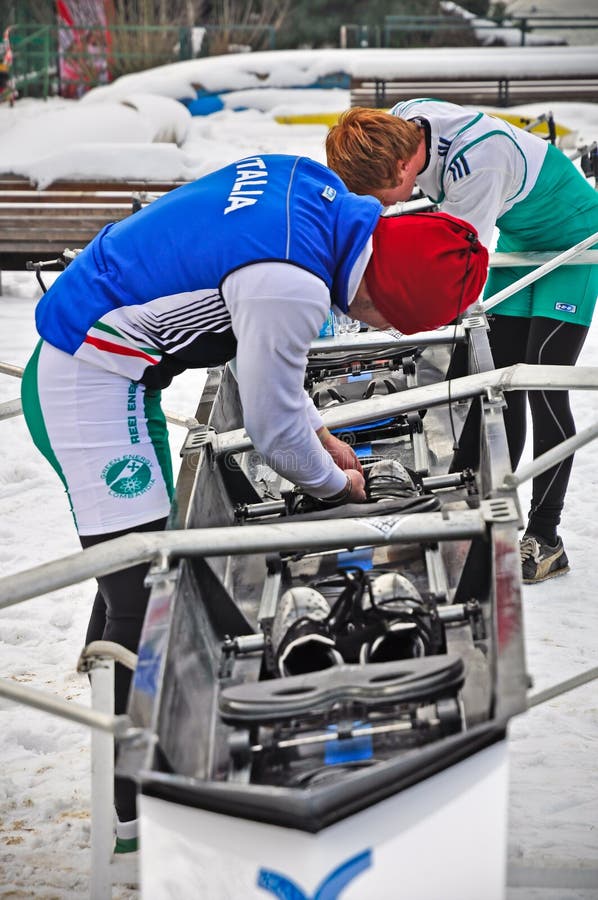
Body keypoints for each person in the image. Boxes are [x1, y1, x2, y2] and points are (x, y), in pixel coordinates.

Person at [20, 153, 487, 851]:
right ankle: (132, 824)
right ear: (383, 294)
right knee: (145, 597)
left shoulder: (317, 193)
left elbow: (273, 363)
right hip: (85, 376)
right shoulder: (291, 287)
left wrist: (320, 431)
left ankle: (113, 752)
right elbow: (270, 426)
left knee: (137, 579)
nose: (383, 334)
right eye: (389, 321)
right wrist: (340, 491)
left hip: (117, 369)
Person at [326, 102, 598, 585]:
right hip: (520, 232)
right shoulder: (398, 124)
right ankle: (463, 505)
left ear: (406, 165)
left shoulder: (478, 167)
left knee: (539, 380)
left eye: (383, 194)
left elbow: (448, 278)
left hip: (574, 236)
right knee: (492, 377)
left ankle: (546, 535)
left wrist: (382, 312)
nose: (383, 205)